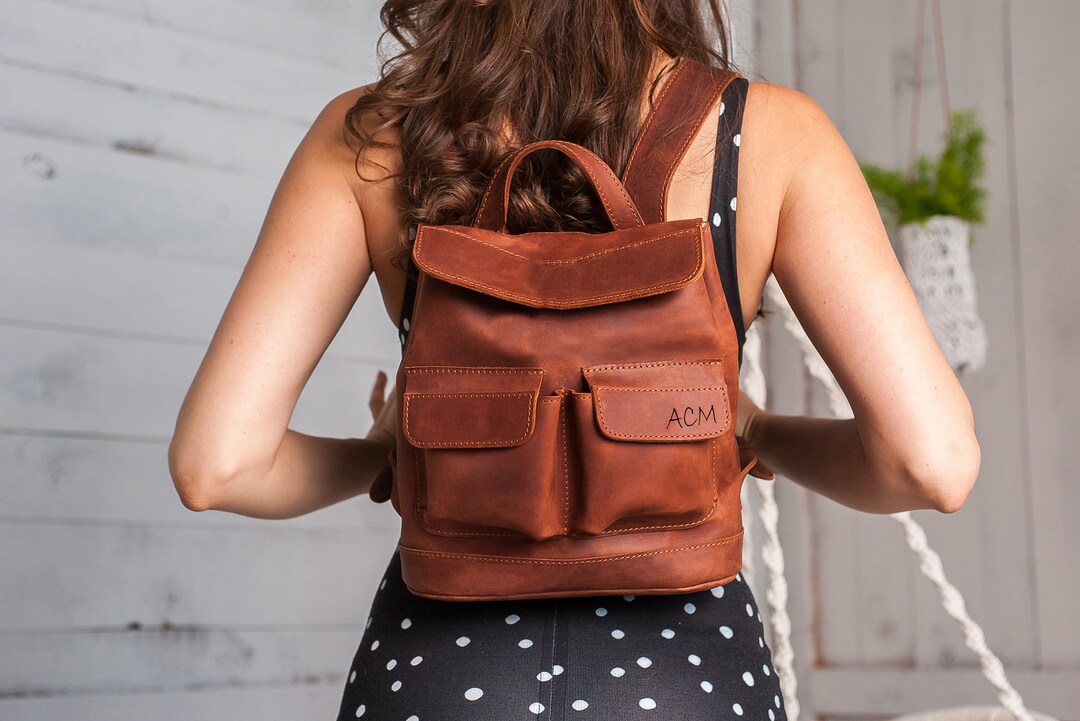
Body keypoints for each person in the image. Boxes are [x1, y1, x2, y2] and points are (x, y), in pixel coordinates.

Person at [167, 1, 981, 718]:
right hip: (685, 682)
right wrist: (756, 430)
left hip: (439, 674)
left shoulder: (372, 137)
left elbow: (220, 465)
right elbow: (929, 465)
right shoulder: (768, 134)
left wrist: (386, 451)